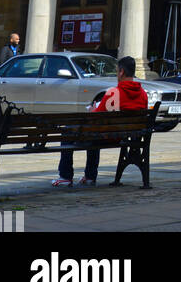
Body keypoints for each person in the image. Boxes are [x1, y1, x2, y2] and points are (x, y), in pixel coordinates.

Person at [52, 55, 148, 187]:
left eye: (116, 71)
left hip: (109, 136)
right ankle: (89, 176)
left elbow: (97, 118)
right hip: (127, 136)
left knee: (69, 132)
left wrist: (92, 109)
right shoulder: (143, 94)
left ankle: (66, 176)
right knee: (95, 134)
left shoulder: (114, 93)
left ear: (121, 72)